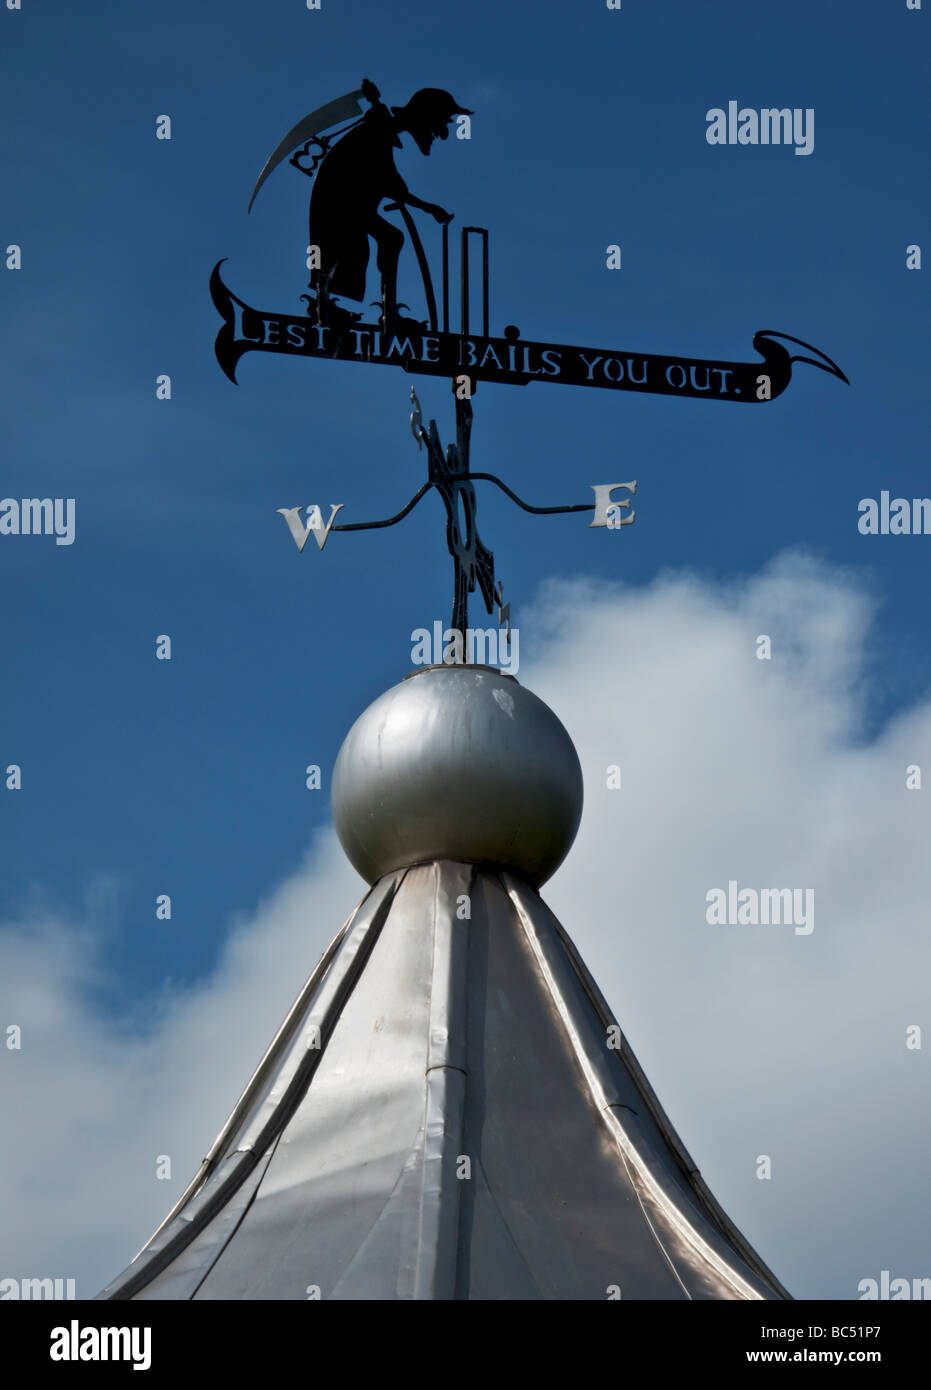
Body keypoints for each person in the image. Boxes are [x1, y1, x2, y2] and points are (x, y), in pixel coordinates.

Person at [307, 87, 471, 329]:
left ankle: (385, 310)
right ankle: (338, 305)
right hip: (339, 206)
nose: (441, 131)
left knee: (390, 239)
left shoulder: (382, 129)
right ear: (424, 116)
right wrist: (428, 208)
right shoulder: (377, 132)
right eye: (439, 121)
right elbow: (390, 183)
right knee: (367, 246)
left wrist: (426, 207)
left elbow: (391, 183)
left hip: (353, 205)